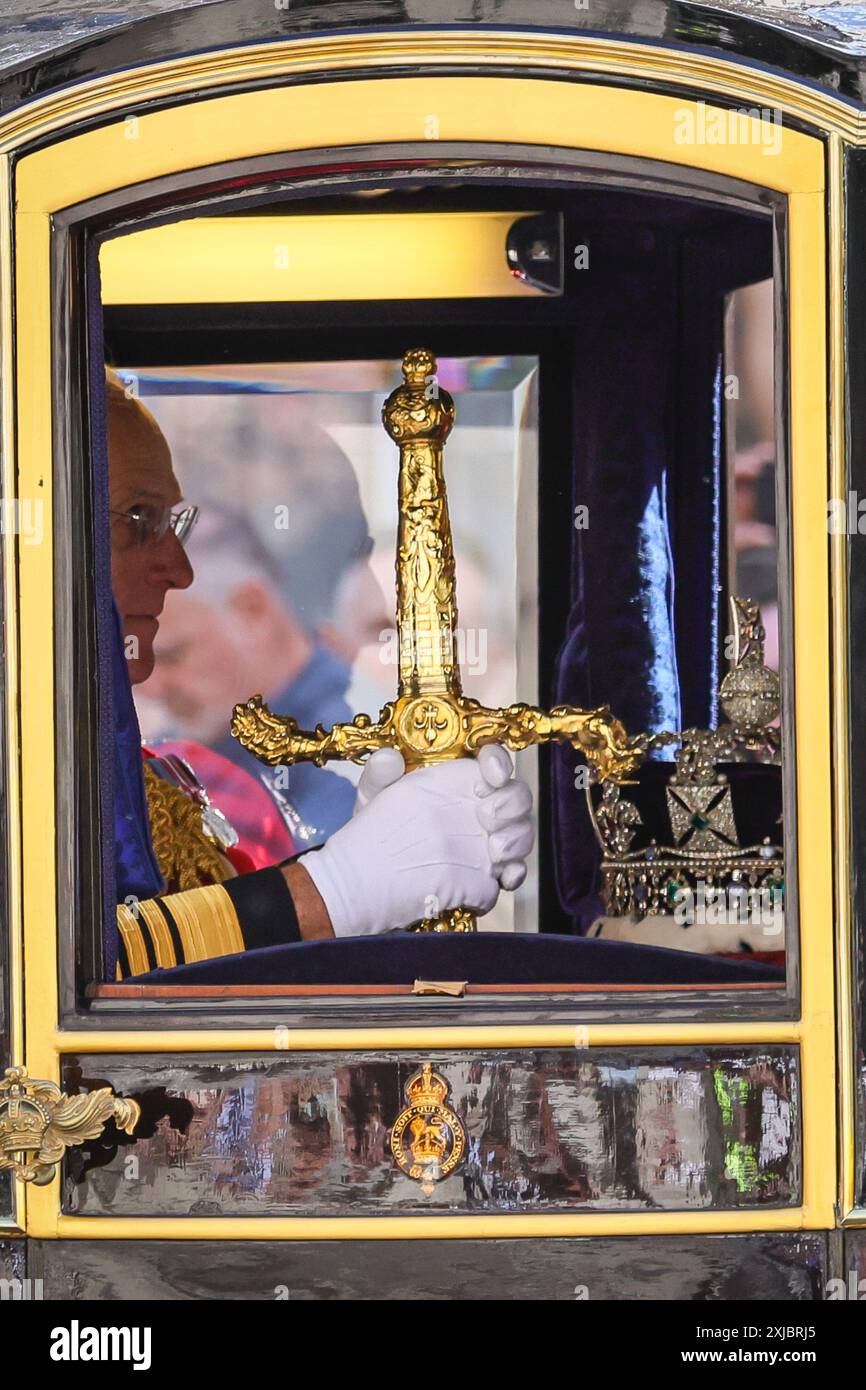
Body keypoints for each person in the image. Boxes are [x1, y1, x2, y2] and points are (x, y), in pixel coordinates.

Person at [106, 376, 534, 979]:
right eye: (138, 519)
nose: (178, 568)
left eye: (171, 522)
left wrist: (372, 865)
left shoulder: (143, 772)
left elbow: (193, 936)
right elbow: (59, 978)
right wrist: (335, 890)